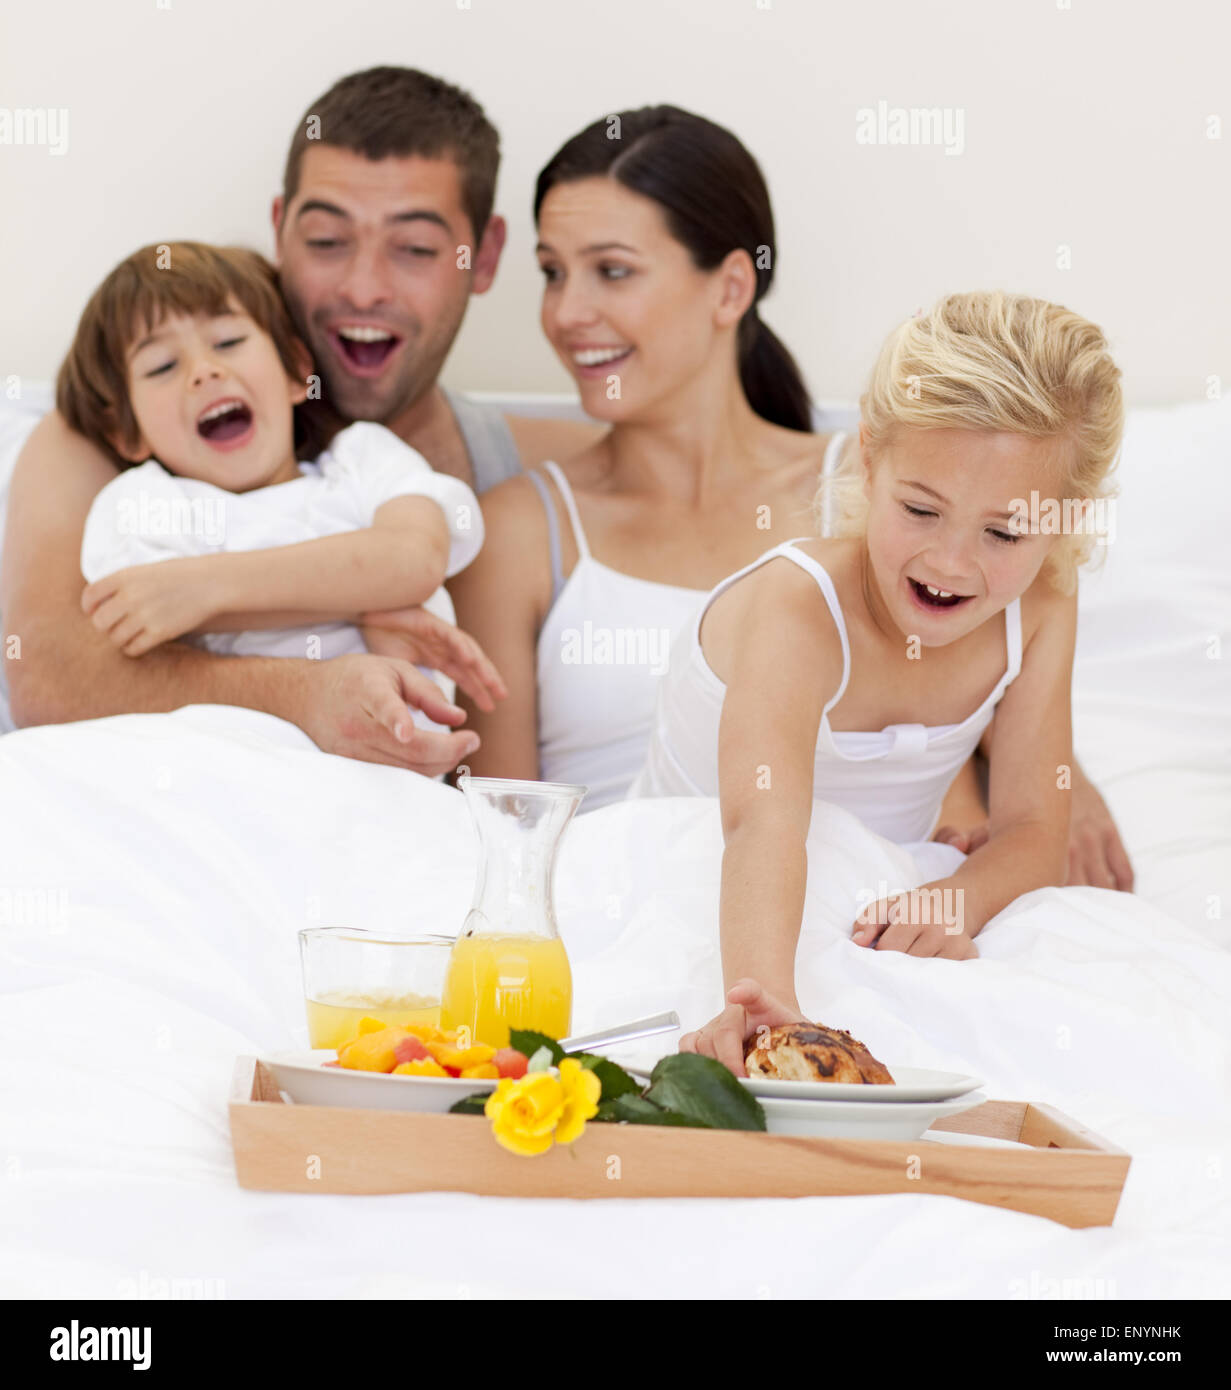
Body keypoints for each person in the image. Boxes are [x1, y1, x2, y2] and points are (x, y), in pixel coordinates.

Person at [450, 106, 1134, 889]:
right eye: (551, 271)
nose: (566, 313)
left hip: (867, 894)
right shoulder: (516, 528)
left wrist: (1057, 790)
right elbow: (503, 833)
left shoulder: (899, 487)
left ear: (731, 286)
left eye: (611, 270)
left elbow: (955, 696)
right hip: (630, 901)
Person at [0, 66, 600, 774]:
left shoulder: (517, 467)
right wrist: (311, 688)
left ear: (484, 255)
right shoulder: (108, 446)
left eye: (413, 248)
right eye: (325, 241)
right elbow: (52, 676)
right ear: (281, 230)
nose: (364, 288)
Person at [668, 291, 1124, 1075]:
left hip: (880, 893)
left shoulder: (1042, 607)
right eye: (921, 510)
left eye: (1002, 532)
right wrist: (765, 1003)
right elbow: (761, 825)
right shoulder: (801, 604)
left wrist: (957, 898)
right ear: (871, 459)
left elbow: (1030, 828)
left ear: (1064, 521)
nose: (950, 562)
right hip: (723, 886)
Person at [63, 241, 480, 741]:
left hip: (377, 780)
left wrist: (206, 587)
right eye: (162, 368)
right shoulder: (145, 502)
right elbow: (144, 616)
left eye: (228, 342)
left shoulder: (363, 460)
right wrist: (366, 599)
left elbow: (413, 560)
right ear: (126, 433)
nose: (204, 371)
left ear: (296, 369)